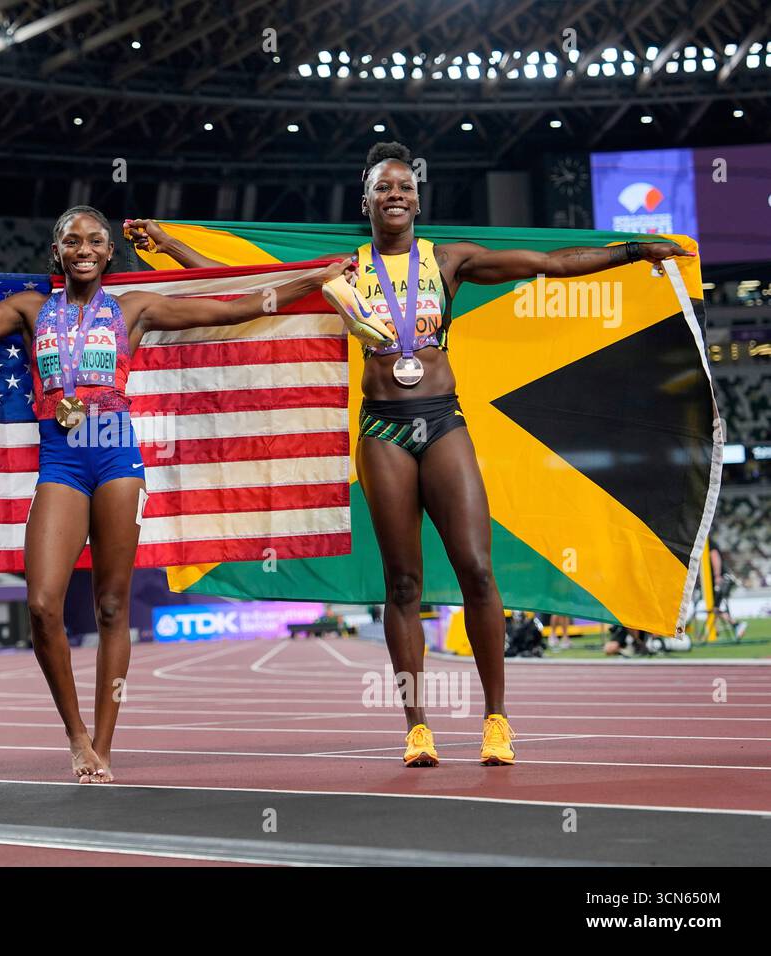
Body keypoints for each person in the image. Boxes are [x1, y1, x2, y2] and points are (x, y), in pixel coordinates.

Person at [128, 142, 693, 767]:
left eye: (404, 186)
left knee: (477, 570)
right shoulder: (340, 274)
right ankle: (416, 726)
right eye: (382, 187)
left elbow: (549, 263)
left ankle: (497, 719)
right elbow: (246, 291)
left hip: (443, 421)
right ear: (365, 200)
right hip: (382, 432)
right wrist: (170, 247)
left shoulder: (447, 261)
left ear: (417, 198)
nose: (395, 194)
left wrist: (635, 251)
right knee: (403, 584)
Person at [0, 206, 343, 782]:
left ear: (107, 253)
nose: (83, 248)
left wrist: (312, 280)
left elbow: (232, 307)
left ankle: (101, 744)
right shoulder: (31, 310)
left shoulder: (134, 310)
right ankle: (74, 735)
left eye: (95, 240)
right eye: (72, 240)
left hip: (117, 453)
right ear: (57, 251)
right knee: (44, 604)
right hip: (62, 460)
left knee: (111, 605)